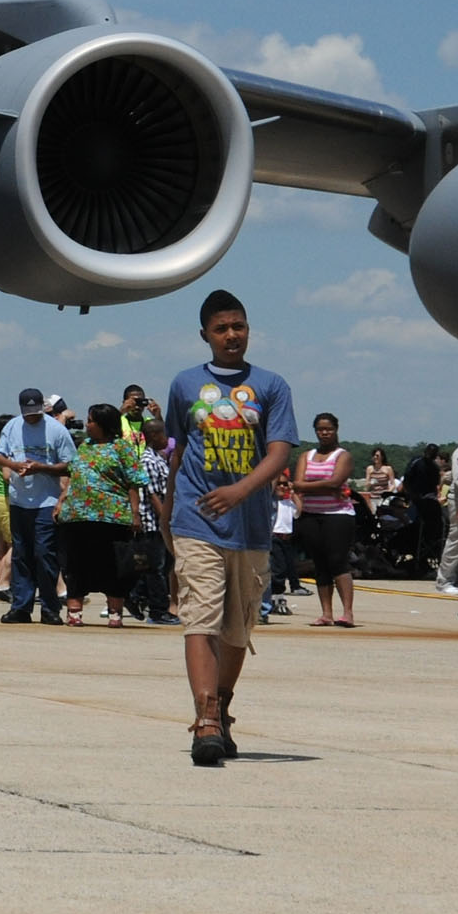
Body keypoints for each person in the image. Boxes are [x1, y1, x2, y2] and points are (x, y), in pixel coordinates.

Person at [163, 289, 295, 767]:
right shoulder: (184, 384)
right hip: (196, 520)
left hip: (250, 524)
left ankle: (223, 704)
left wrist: (242, 491)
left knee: (237, 628)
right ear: (205, 335)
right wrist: (169, 508)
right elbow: (180, 450)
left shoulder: (271, 385)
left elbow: (279, 451)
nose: (232, 335)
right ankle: (206, 720)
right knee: (200, 616)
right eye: (221, 328)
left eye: (238, 326)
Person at [56, 402, 153, 624]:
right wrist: (62, 501)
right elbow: (73, 475)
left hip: (113, 517)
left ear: (103, 424)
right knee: (76, 563)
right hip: (79, 516)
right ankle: (74, 613)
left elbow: (133, 482)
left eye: (91, 421)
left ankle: (115, 614)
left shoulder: (122, 448)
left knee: (113, 566)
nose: (87, 425)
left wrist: (135, 513)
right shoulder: (84, 447)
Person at [0, 384, 72, 624]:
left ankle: (49, 608)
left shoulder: (57, 430)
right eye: (28, 414)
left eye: (36, 412)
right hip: (19, 500)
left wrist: (41, 468)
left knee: (45, 553)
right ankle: (21, 606)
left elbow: (70, 464)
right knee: (21, 555)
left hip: (46, 500)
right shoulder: (12, 426)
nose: (32, 417)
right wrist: (15, 466)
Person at [294, 413, 363, 627]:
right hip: (310, 514)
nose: (324, 433)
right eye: (320, 429)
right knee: (320, 563)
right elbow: (297, 483)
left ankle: (348, 612)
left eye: (329, 429)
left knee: (337, 561)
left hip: (337, 515)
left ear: (336, 429)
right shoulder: (307, 455)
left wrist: (307, 487)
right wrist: (317, 487)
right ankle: (326, 612)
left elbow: (335, 482)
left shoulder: (343, 456)